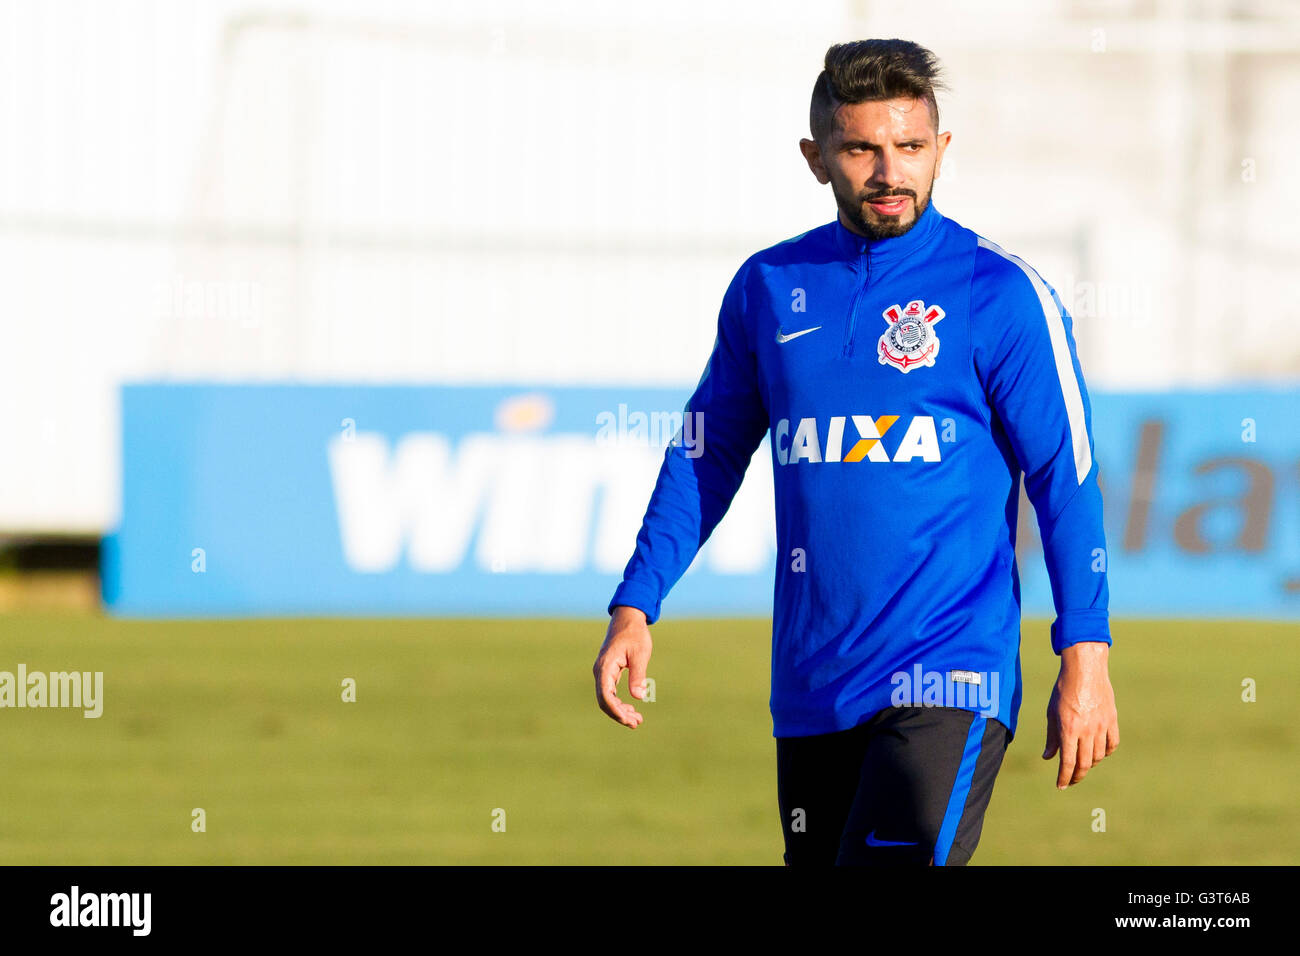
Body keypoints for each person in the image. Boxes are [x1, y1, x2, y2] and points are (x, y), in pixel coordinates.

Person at [592, 38, 1119, 865]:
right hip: (812, 689)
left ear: (942, 150)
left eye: (910, 147)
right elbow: (707, 451)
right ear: (817, 158)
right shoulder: (769, 287)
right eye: (863, 149)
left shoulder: (998, 294)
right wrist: (638, 600)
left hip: (950, 676)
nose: (889, 172)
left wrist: (1084, 654)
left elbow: (1066, 479)